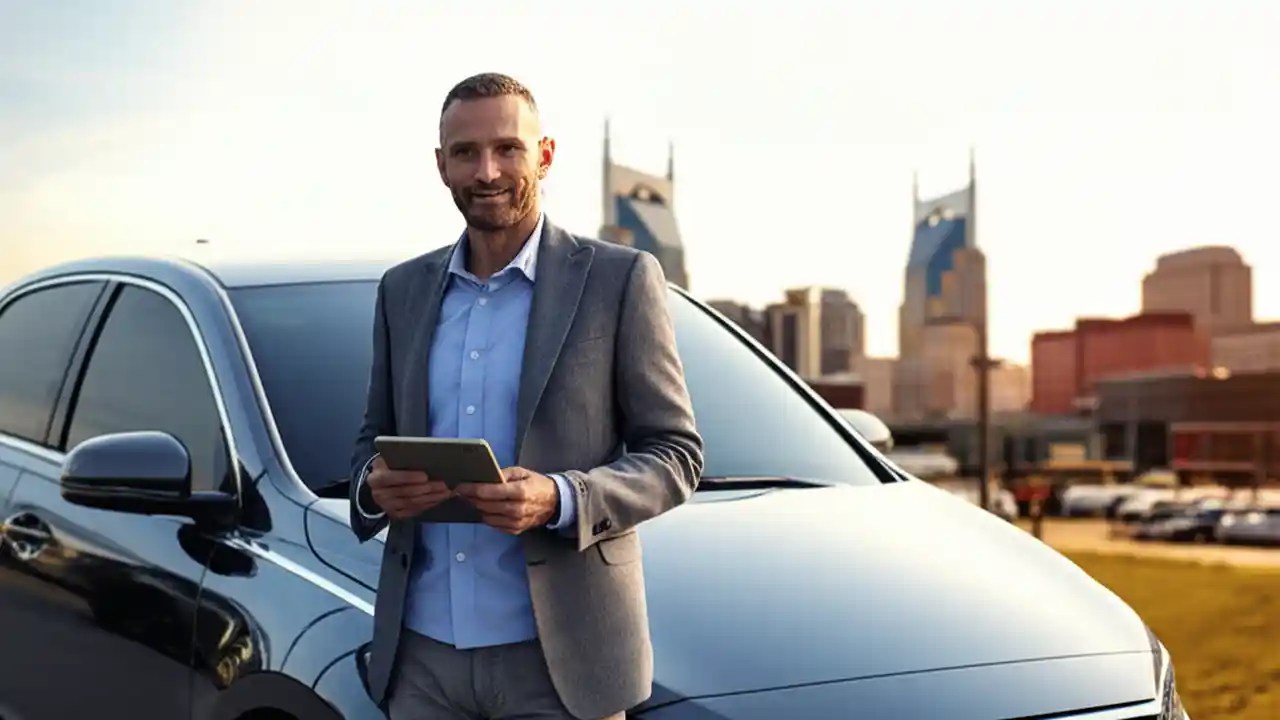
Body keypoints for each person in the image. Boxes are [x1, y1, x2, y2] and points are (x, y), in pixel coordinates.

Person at [347, 72, 704, 720]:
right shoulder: (401, 292)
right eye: (465, 153)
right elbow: (370, 441)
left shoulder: (619, 280)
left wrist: (560, 498)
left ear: (544, 155)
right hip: (421, 661)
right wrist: (374, 486)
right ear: (441, 166)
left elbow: (676, 454)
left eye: (508, 148)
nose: (487, 171)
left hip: (563, 664)